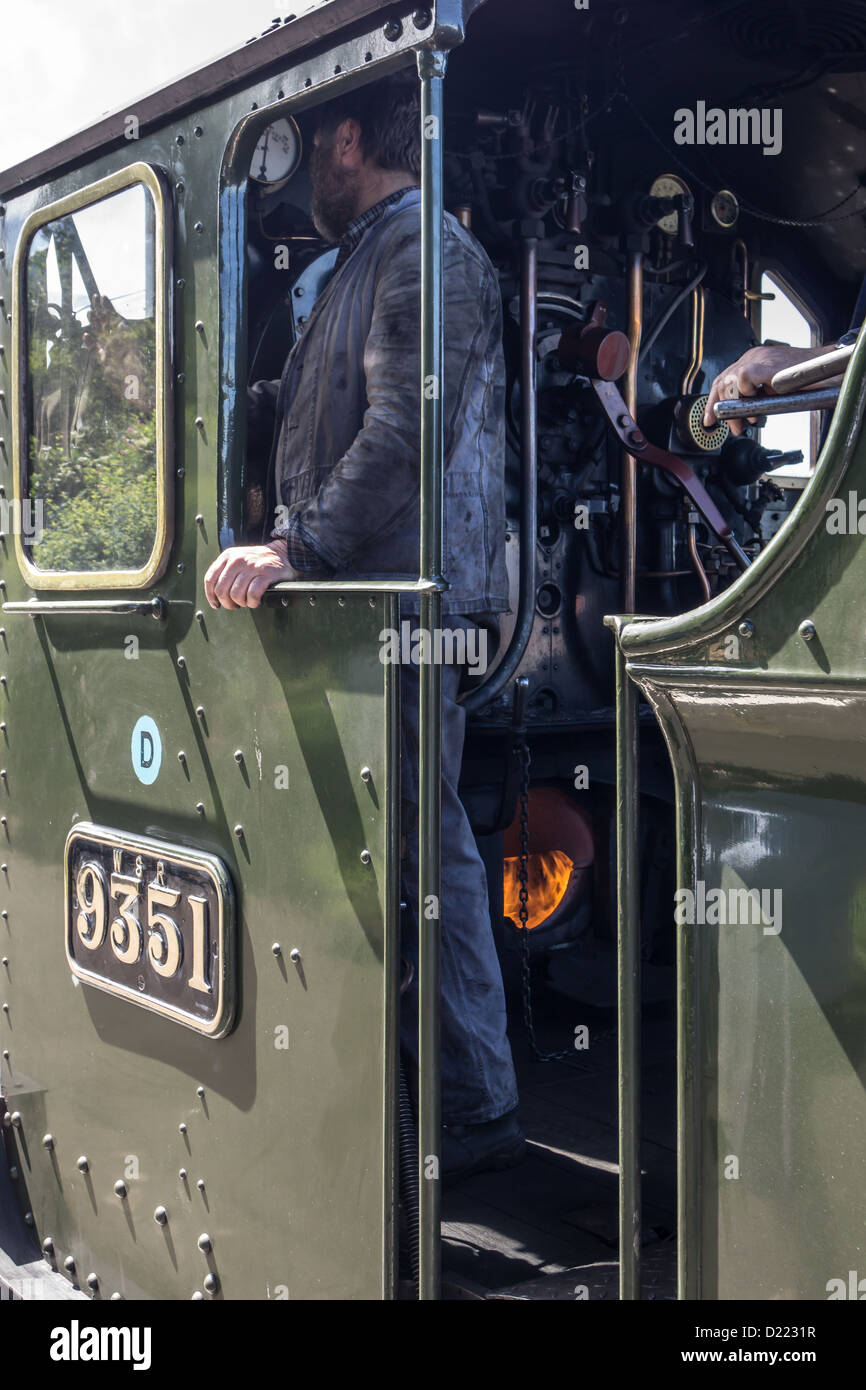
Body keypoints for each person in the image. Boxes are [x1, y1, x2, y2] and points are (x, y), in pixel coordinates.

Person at [203, 75, 523, 1181]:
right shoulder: (372, 260)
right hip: (366, 605)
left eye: (315, 169)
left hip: (399, 609)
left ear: (346, 139)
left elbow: (402, 431)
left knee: (423, 849)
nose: (305, 202)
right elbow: (337, 413)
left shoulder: (425, 255)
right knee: (395, 848)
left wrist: (298, 552)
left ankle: (474, 1102)